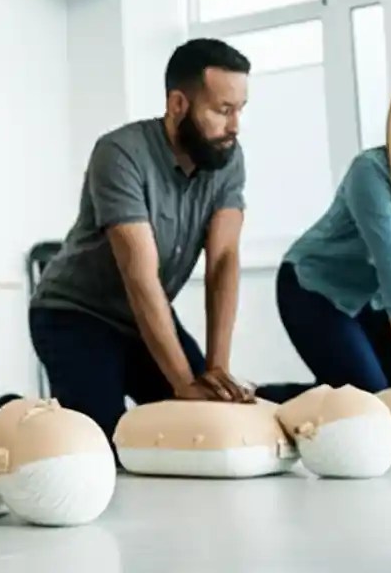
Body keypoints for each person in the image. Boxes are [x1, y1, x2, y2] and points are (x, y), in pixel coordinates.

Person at [28, 38, 257, 446]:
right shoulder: (119, 153)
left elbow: (223, 260)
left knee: (204, 422)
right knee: (106, 442)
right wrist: (184, 384)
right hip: (74, 315)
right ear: (178, 105)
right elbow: (140, 278)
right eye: (223, 111)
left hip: (141, 321)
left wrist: (214, 369)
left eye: (240, 110)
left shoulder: (227, 157)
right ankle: (15, 410)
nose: (235, 126)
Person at [257, 75, 391, 403]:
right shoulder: (370, 171)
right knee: (375, 398)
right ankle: (257, 396)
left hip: (370, 300)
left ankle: (316, 391)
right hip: (313, 288)